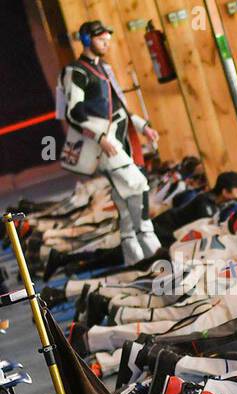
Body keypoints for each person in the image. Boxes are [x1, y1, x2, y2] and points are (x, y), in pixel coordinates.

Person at [57, 20, 161, 265]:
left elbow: (119, 105)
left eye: (107, 38)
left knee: (123, 199)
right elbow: (74, 111)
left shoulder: (103, 67)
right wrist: (99, 137)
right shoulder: (77, 71)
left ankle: (133, 254)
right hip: (103, 142)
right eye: (100, 38)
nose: (106, 42)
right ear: (86, 40)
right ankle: (151, 244)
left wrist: (142, 126)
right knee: (138, 185)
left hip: (118, 136)